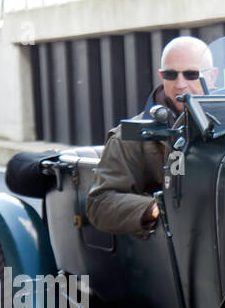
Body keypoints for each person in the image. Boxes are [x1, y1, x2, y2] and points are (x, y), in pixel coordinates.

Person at [86, 36, 214, 238]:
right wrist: (158, 209)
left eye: (191, 74)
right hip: (172, 248)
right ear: (161, 76)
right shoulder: (130, 136)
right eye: (171, 74)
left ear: (212, 76)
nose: (180, 84)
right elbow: (100, 203)